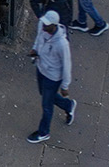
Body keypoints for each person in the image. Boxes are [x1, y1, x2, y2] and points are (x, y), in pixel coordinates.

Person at [26, 10, 75, 143]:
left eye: (47, 25)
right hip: (41, 69)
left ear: (54, 26)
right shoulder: (43, 27)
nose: (43, 26)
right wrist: (35, 50)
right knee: (44, 94)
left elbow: (67, 65)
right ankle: (68, 105)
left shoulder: (61, 44)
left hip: (52, 77)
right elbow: (38, 39)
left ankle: (44, 132)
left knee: (47, 106)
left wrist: (65, 86)